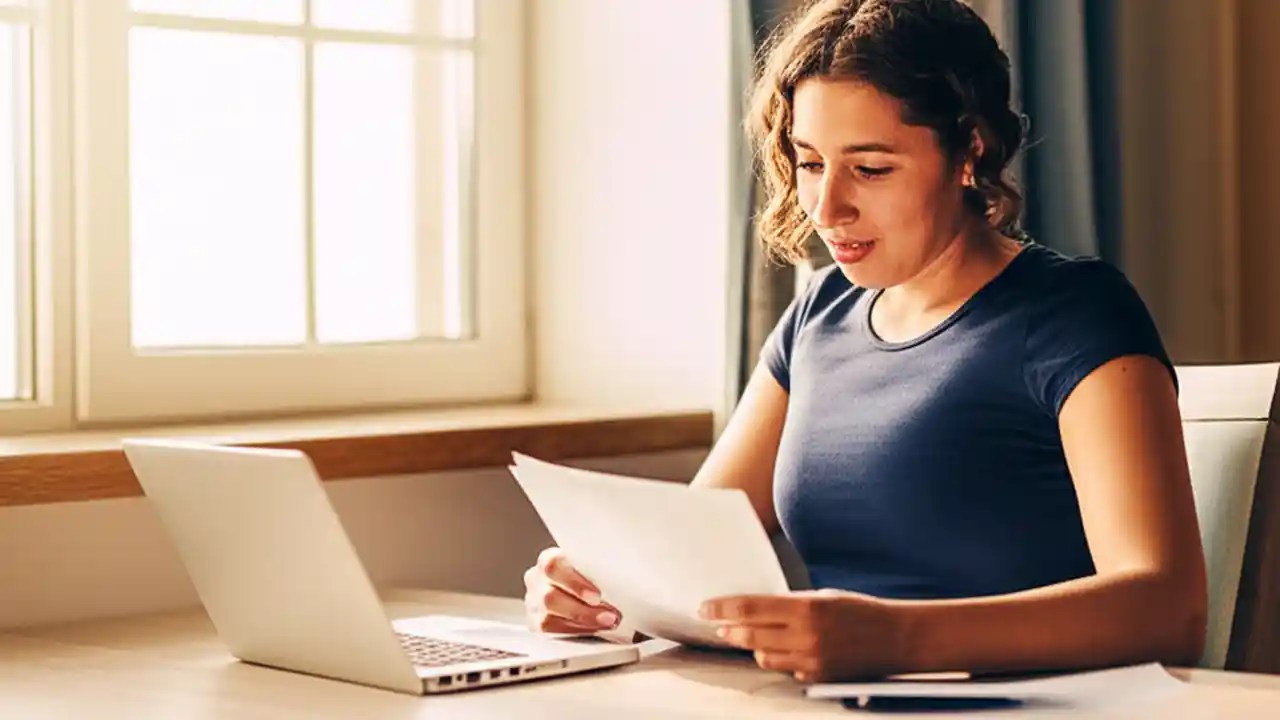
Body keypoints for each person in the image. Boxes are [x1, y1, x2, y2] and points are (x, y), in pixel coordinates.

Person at [522, 0, 1207, 683]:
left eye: (871, 169)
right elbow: (686, 560)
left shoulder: (1074, 313)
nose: (827, 209)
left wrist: (901, 639)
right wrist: (600, 591)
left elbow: (1169, 608)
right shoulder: (820, 315)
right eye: (811, 163)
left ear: (968, 150)